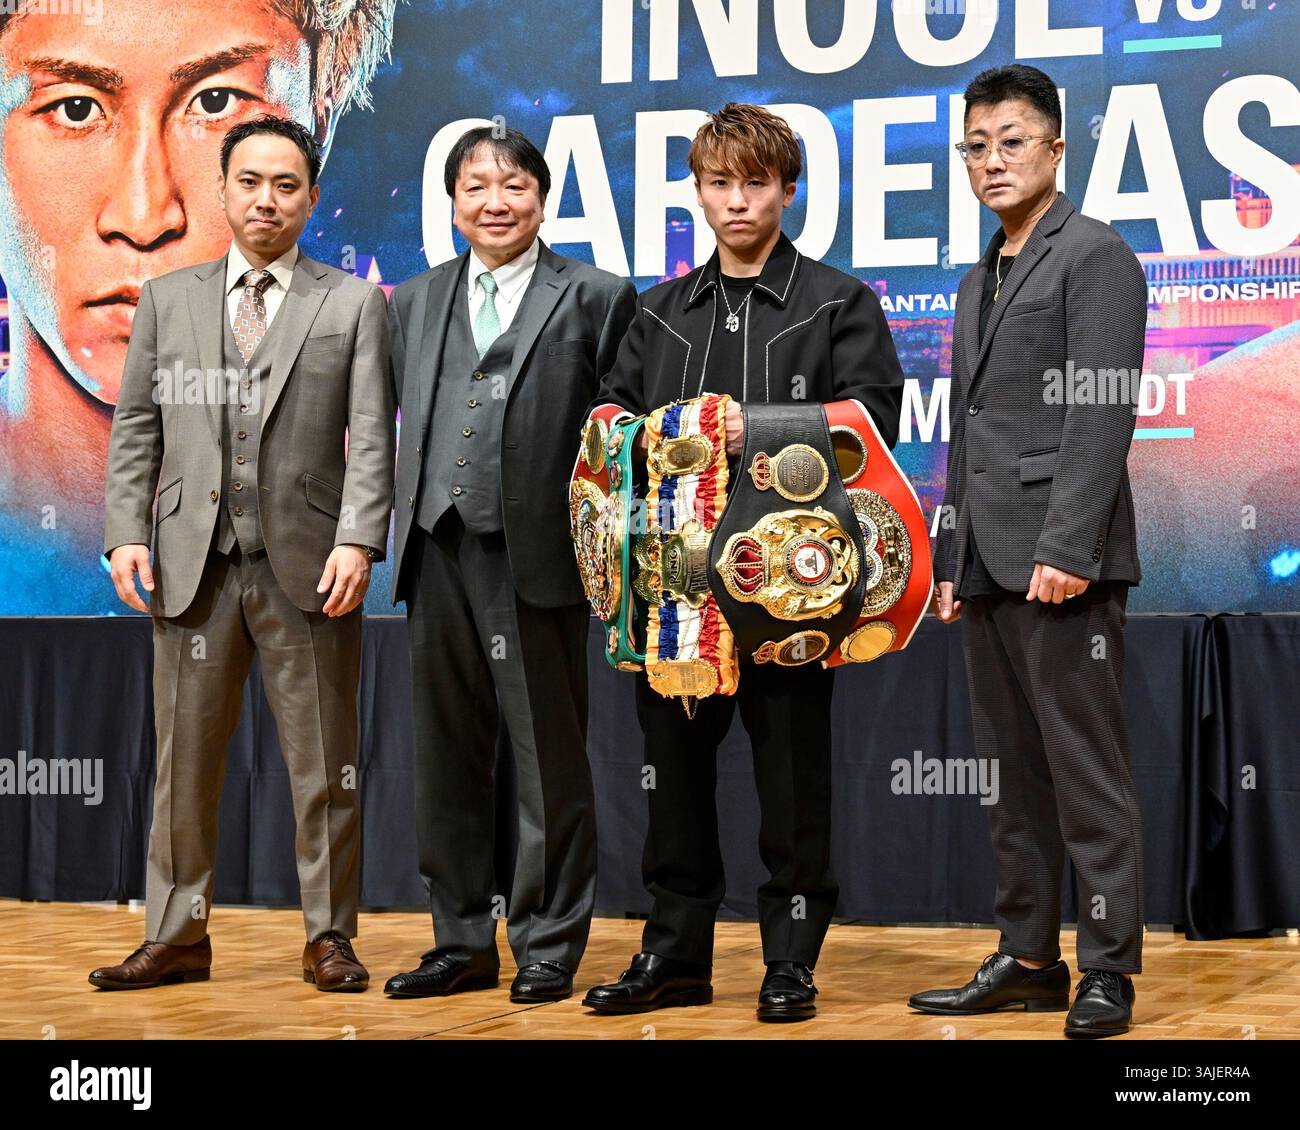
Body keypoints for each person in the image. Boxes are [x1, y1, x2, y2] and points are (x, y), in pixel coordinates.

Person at [581, 103, 905, 1022]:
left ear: (788, 190)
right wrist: (620, 438)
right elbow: (613, 427)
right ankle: (674, 954)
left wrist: (750, 428)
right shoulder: (657, 312)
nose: (737, 201)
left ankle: (790, 962)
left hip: (800, 590)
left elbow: (873, 425)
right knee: (673, 788)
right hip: (680, 594)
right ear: (697, 192)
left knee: (793, 793)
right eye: (719, 183)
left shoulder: (840, 302)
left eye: (756, 183)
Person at [90, 116, 395, 992]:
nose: (268, 199)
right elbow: (137, 426)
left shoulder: (349, 303)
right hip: (191, 565)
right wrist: (123, 530)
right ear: (223, 190)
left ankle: (329, 937)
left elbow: (371, 436)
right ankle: (177, 935)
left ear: (311, 198)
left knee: (325, 765)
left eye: (287, 185)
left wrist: (358, 539)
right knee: (182, 765)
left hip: (310, 566)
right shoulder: (168, 298)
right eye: (251, 181)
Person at [0, 0, 396, 613]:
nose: (144, 215)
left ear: (323, 113)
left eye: (217, 102)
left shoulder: (409, 523)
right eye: (74, 108)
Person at [910, 64, 1147, 1038]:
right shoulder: (979, 275)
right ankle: (1026, 956)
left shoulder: (1094, 256)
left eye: (1012, 141)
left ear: (1056, 149)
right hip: (989, 560)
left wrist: (1070, 544)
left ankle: (1107, 969)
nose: (992, 160)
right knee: (1010, 774)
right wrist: (953, 557)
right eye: (976, 145)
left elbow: (1100, 411)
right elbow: (971, 436)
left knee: (1085, 774)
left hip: (1062, 559)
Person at [382, 126, 636, 1004]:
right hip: (434, 547)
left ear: (544, 198)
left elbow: (621, 435)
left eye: (515, 185)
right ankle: (459, 939)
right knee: (446, 754)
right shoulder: (412, 301)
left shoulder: (597, 297)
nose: (496, 202)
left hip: (540, 555)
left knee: (546, 755)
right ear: (451, 202)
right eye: (477, 186)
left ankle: (546, 941)